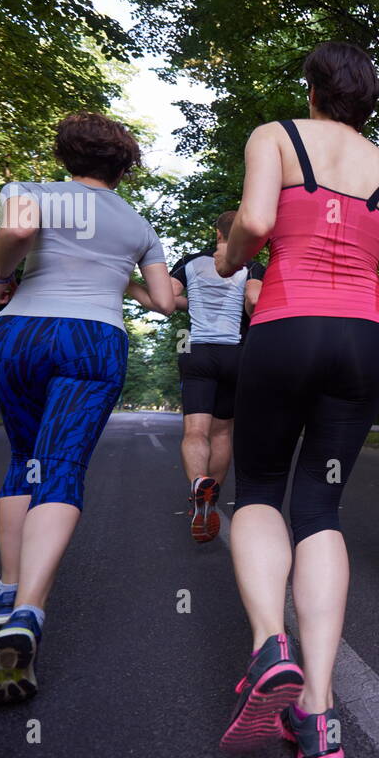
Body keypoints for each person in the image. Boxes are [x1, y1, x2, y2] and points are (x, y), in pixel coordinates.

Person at [215, 41, 379, 758]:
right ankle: (320, 712)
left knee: (261, 491)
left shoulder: (274, 136)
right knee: (322, 509)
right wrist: (365, 299)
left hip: (284, 328)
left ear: (313, 89)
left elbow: (256, 221)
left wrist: (227, 260)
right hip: (363, 340)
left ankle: (272, 643)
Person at [0, 112, 174, 705]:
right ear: (123, 167)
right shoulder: (139, 224)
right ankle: (29, 613)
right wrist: (118, 276)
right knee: (60, 467)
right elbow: (164, 303)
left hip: (17, 334)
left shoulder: (27, 192)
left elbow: (14, 236)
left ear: (66, 155)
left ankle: (8, 592)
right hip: (92, 338)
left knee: (24, 460)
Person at [128, 211, 264, 543]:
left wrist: (130, 284)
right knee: (221, 433)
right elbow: (254, 299)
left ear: (216, 232)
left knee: (195, 431)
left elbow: (164, 301)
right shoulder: (253, 265)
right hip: (237, 353)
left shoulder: (191, 262)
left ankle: (197, 488)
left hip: (197, 352)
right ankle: (211, 499)